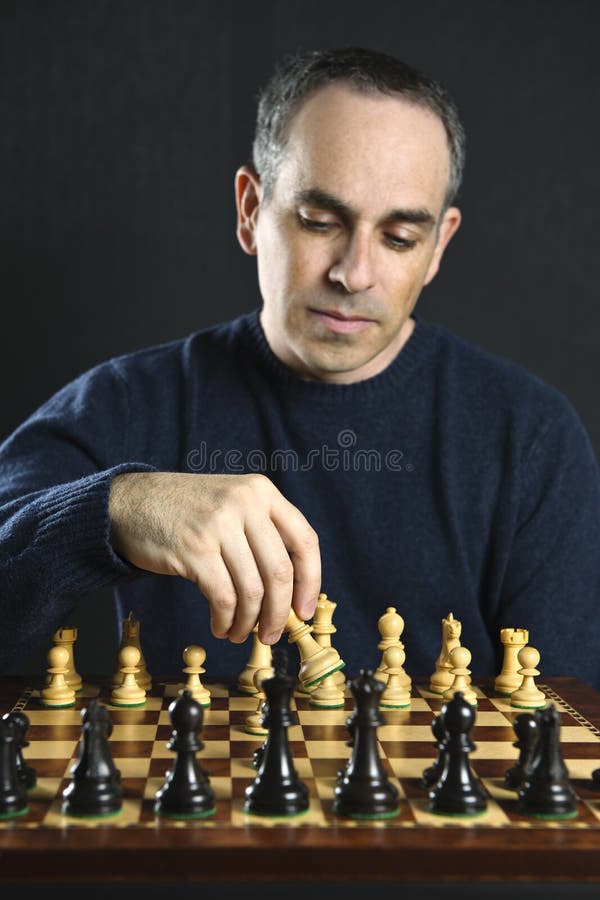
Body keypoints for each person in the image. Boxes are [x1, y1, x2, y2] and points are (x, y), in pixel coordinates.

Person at [1, 47, 599, 687]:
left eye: (399, 238)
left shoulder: (530, 436)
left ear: (438, 247)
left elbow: (568, 733)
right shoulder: (126, 402)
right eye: (319, 222)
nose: (353, 273)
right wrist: (118, 507)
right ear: (251, 210)